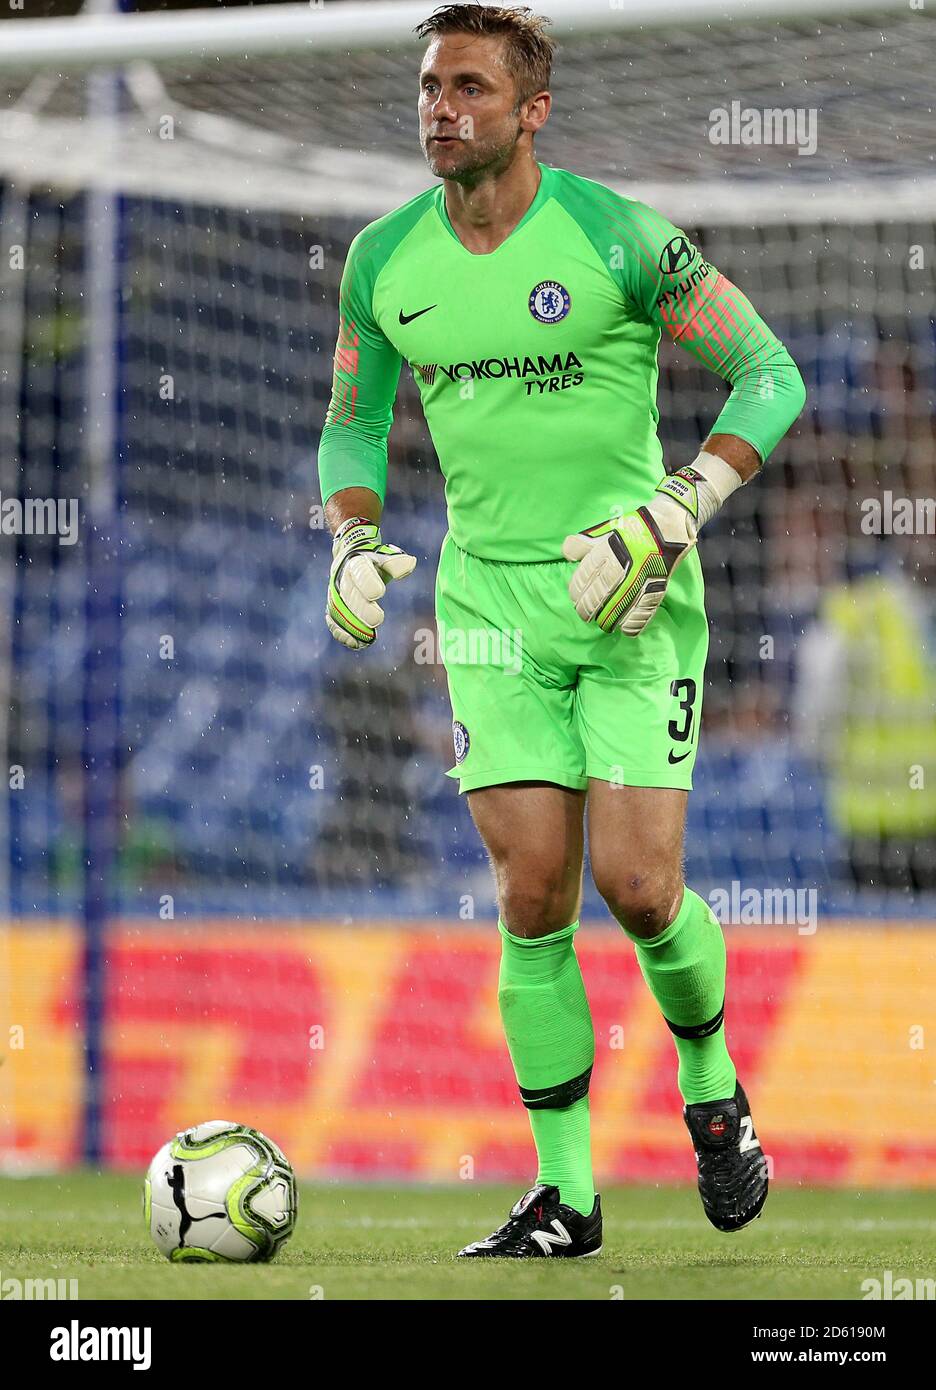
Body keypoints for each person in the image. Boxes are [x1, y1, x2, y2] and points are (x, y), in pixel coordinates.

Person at [317, 3, 806, 1257]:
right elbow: (355, 424)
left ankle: (712, 1086)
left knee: (639, 890)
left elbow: (771, 374)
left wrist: (681, 506)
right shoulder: (384, 260)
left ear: (532, 111)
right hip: (488, 603)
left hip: (631, 589)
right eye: (430, 85)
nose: (442, 107)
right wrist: (350, 534)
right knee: (532, 894)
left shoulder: (619, 237)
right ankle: (568, 1195)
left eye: (470, 87)